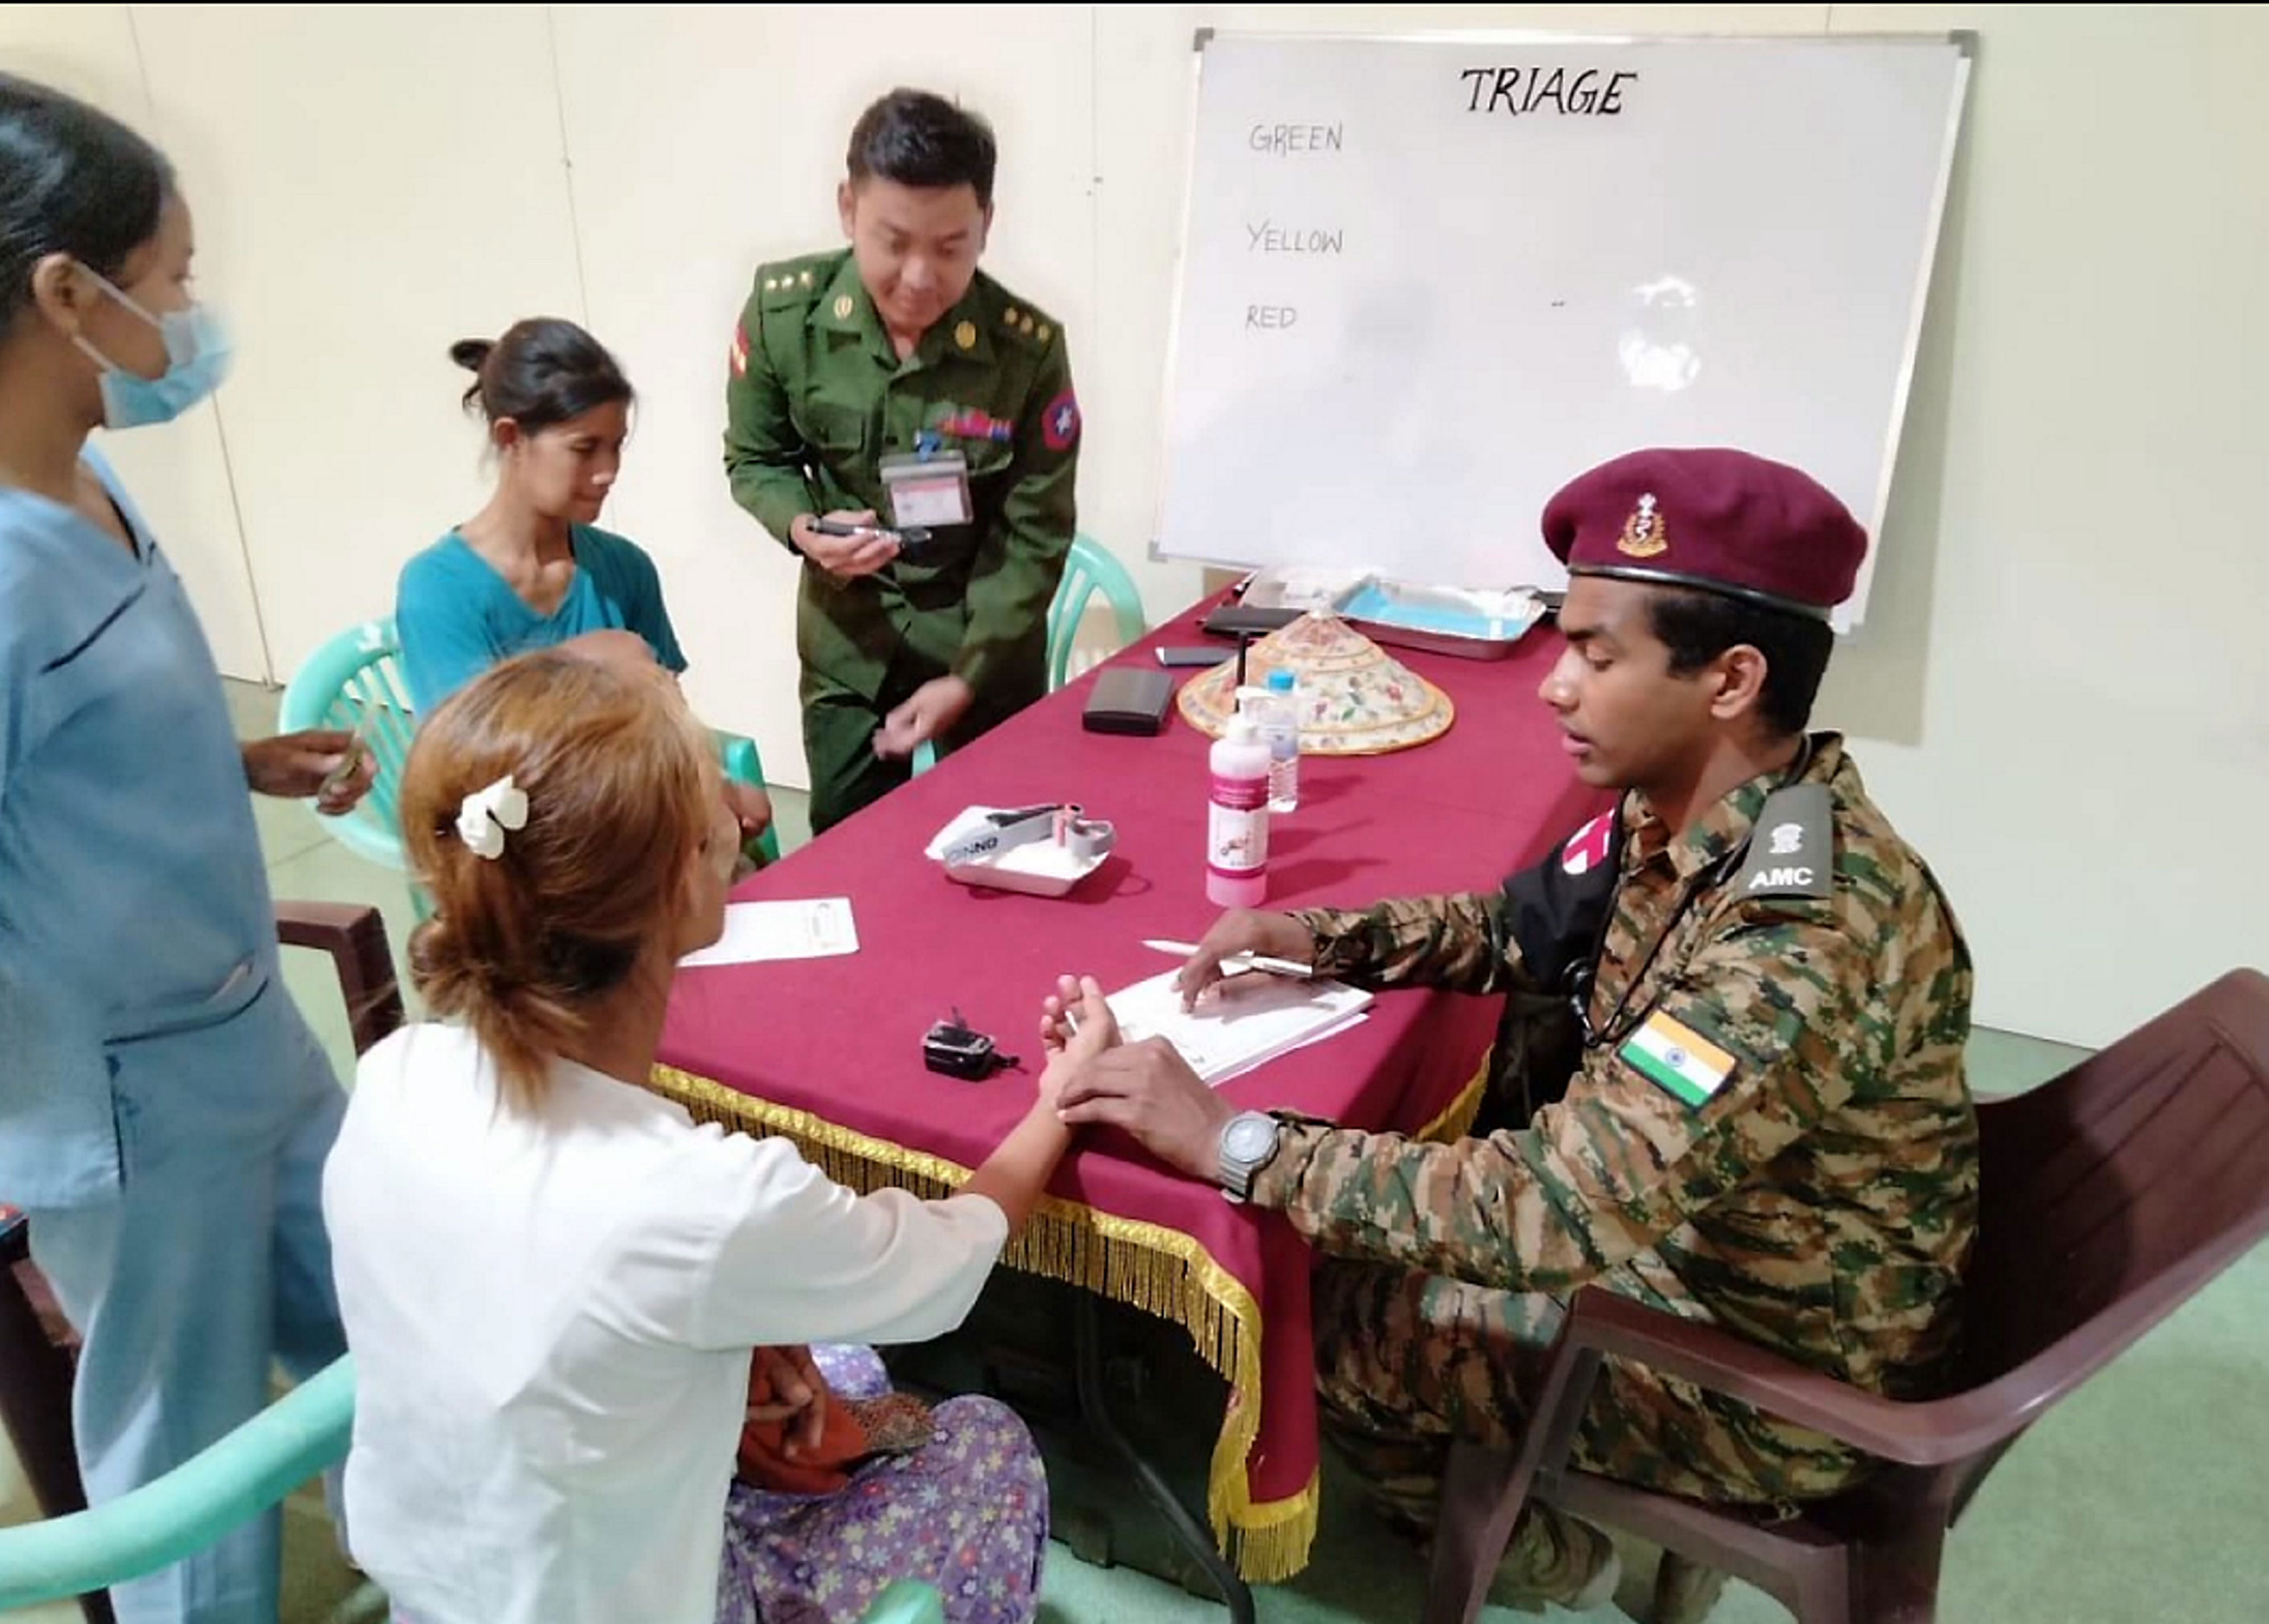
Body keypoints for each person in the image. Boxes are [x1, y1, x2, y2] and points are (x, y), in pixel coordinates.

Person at [1045, 449, 1980, 1614]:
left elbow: (1545, 1213)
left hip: (1767, 1365)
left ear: (1730, 678)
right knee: (1390, 1174)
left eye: (1595, 652)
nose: (1553, 683)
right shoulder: (1705, 803)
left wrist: (1234, 1142)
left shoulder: (1798, 939)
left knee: (1336, 1316)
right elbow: (1516, 926)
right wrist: (1313, 937)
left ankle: (1549, 1563)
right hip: (1708, 1241)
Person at [323, 647, 1115, 1624]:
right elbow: (940, 1266)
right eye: (718, 813)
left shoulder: (396, 1079)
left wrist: (740, 1346)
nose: (745, 818)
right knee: (983, 1441)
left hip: (451, 1592)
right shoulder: (701, 1199)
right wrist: (1057, 1100)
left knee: (833, 1366)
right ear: (672, 884)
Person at [0, 73, 376, 1624]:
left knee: (399, 1339)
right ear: (68, 293)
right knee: (196, 1480)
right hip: (129, 1111)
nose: (191, 320)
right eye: (174, 283)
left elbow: (71, 761)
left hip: (245, 1039)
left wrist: (237, 759)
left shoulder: (82, 475)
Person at [724, 87, 1079, 835]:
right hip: (849, 644)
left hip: (985, 646)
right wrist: (803, 528)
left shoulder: (1027, 350)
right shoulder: (784, 316)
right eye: (894, 241)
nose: (919, 277)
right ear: (848, 208)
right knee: (852, 856)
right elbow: (756, 460)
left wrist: (969, 675)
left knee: (1006, 847)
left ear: (987, 225)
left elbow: (1034, 532)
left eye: (950, 247)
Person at [397, 316, 771, 848]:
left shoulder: (625, 569)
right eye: (584, 448)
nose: (608, 470)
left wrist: (713, 783)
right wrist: (580, 666)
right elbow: (466, 770)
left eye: (616, 446)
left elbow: (667, 721)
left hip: (629, 829)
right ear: (511, 438)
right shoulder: (438, 589)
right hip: (517, 852)